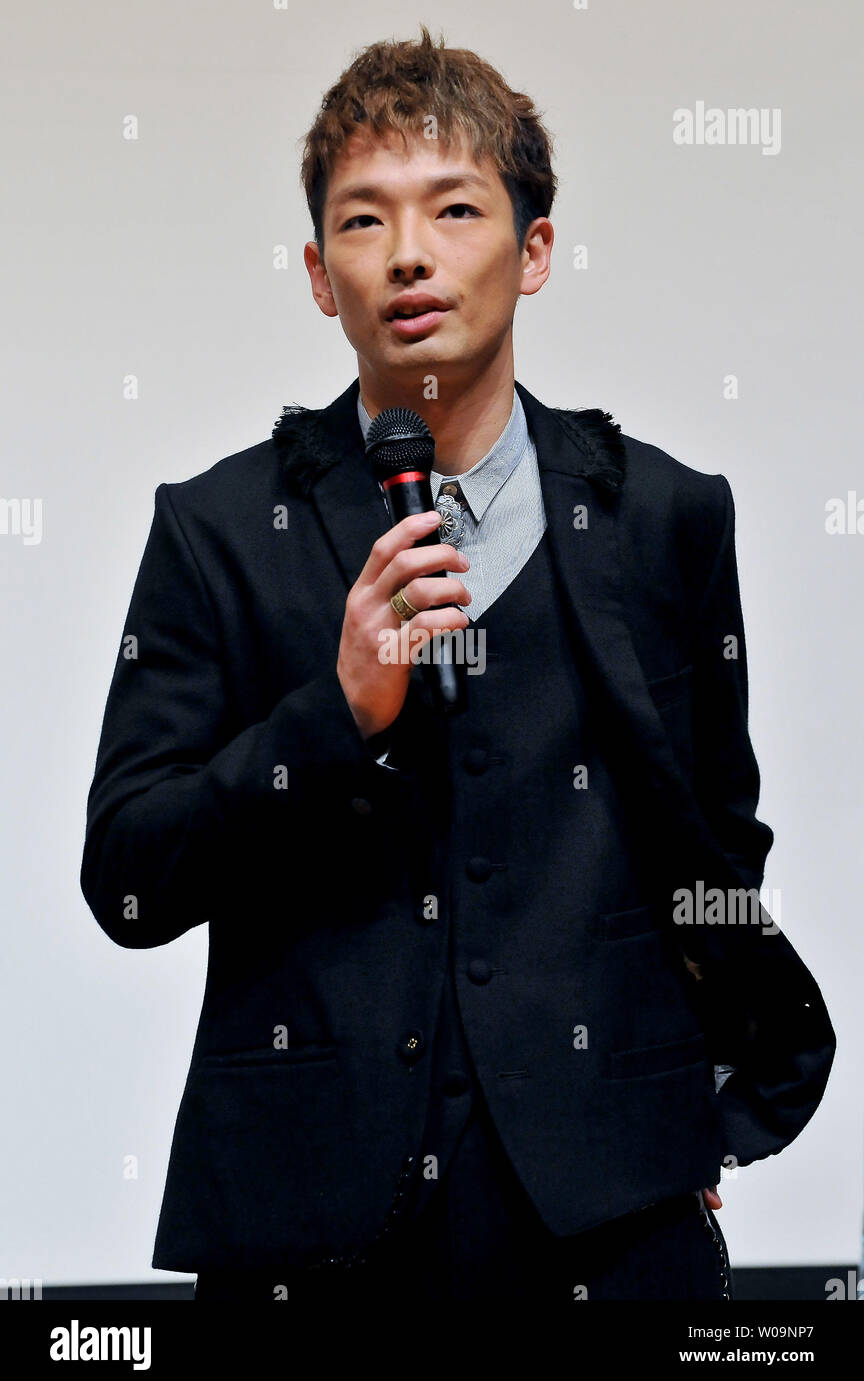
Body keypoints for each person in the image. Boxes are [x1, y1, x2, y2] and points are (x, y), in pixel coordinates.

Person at [80, 25, 835, 1304]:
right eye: (364, 223)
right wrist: (334, 716)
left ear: (534, 250)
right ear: (323, 277)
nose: (411, 253)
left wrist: (687, 1094)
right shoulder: (214, 528)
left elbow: (717, 833)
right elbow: (129, 881)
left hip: (611, 1212)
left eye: (456, 208)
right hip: (309, 1223)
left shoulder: (665, 517)